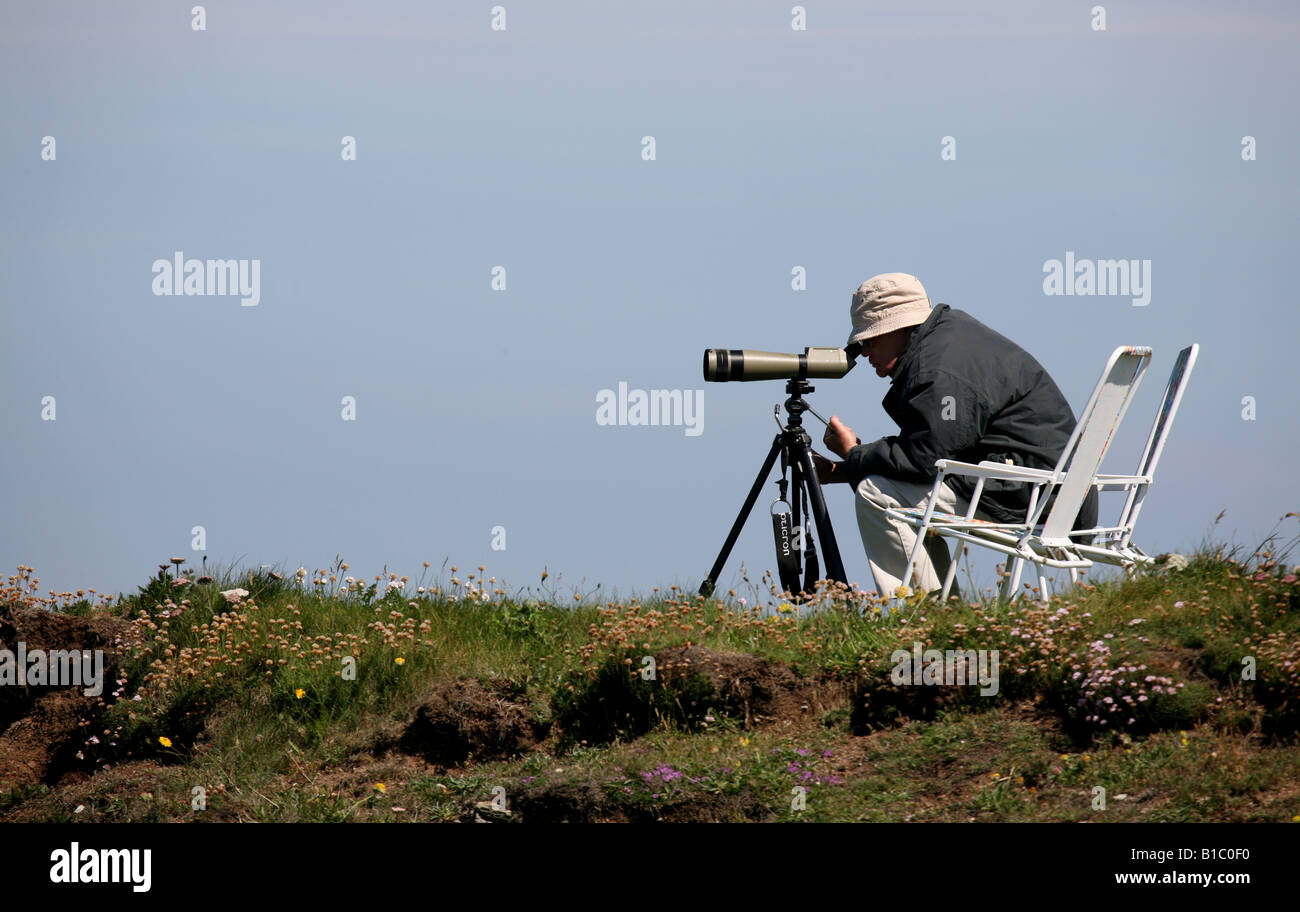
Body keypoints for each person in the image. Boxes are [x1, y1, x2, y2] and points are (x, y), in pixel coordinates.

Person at [811, 273, 1098, 599]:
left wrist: (854, 454)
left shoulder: (937, 370)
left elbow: (926, 459)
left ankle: (926, 618)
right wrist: (843, 471)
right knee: (894, 489)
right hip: (1051, 488)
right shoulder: (951, 336)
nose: (863, 353)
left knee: (876, 494)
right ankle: (941, 613)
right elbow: (942, 450)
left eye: (870, 340)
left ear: (899, 328)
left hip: (1029, 496)